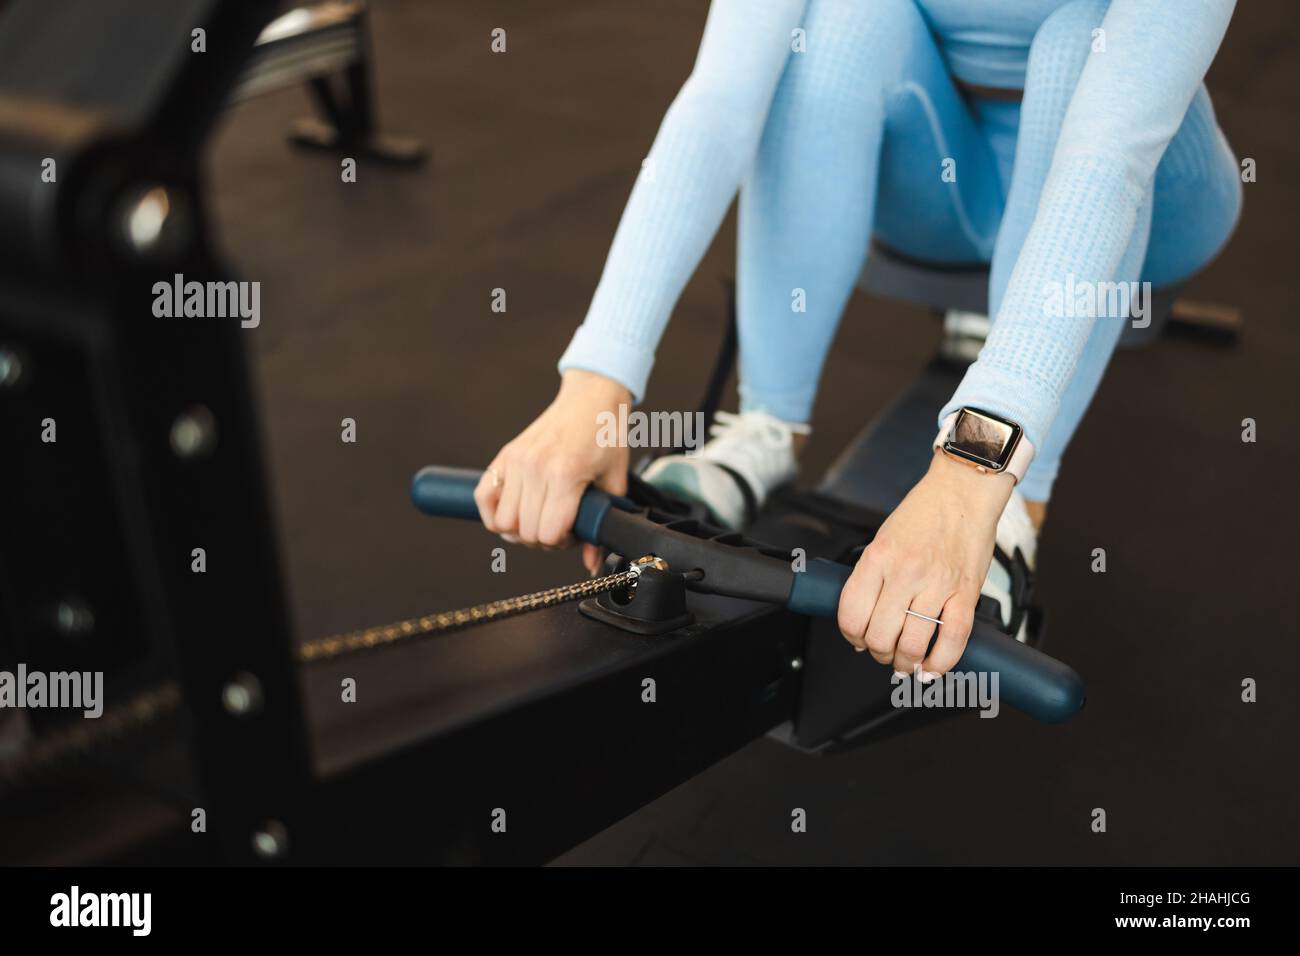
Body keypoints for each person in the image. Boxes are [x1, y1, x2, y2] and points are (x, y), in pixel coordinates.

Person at [474, 0, 1241, 678]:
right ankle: (766, 428)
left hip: (1151, 202)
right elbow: (720, 99)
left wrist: (971, 476)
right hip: (940, 197)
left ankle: (1015, 511)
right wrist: (594, 386)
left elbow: (1107, 165)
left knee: (1082, 39)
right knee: (839, 18)